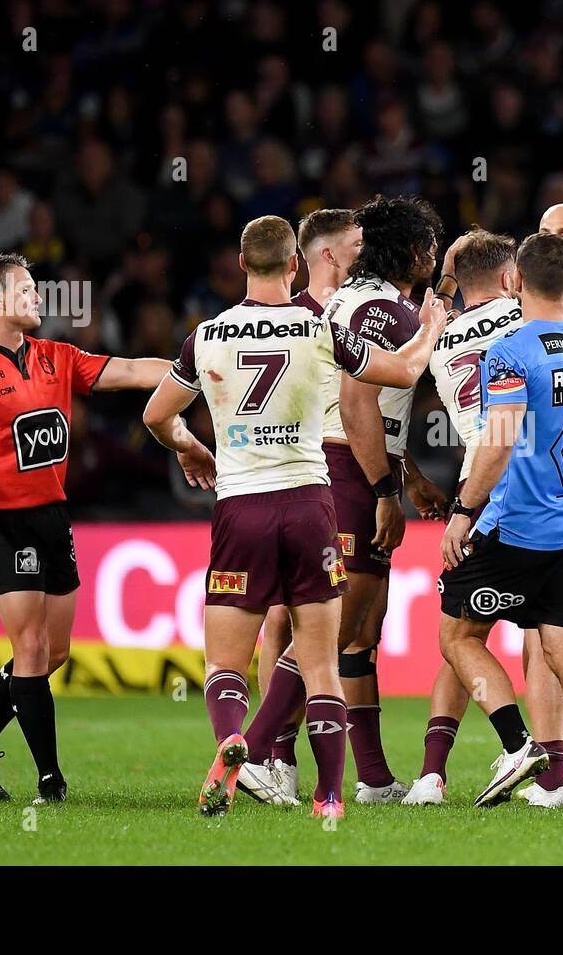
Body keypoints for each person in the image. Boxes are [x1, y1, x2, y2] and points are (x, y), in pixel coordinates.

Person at [140, 216, 447, 817]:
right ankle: (330, 797)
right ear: (293, 267)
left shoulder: (206, 336)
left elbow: (155, 415)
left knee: (227, 663)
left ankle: (237, 741)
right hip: (310, 501)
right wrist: (430, 330)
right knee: (322, 660)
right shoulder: (319, 328)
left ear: (240, 264)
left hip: (240, 507)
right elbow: (403, 373)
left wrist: (188, 446)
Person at [0, 252, 171, 803]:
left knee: (53, 654)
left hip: (51, 519)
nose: (39, 298)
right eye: (27, 290)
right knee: (31, 647)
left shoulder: (57, 357)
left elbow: (128, 371)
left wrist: (194, 365)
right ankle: (50, 782)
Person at [437, 232, 563, 808]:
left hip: (519, 525)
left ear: (514, 282)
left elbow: (499, 440)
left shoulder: (511, 351)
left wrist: (464, 510)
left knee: (457, 635)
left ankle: (519, 744)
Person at [242, 207, 362, 804]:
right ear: (324, 257)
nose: (368, 257)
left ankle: (269, 755)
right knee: (289, 624)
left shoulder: (349, 313)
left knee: (331, 632)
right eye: (358, 248)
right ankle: (278, 762)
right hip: (317, 478)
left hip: (305, 484)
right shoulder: (312, 321)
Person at [402, 229, 524, 805]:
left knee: (457, 636)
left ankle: (441, 772)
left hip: (480, 492)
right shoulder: (537, 318)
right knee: (557, 643)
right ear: (509, 278)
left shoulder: (440, 338)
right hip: (554, 491)